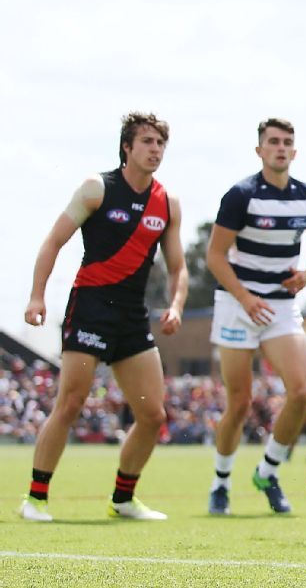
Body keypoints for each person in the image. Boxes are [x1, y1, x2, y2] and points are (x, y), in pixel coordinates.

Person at [19, 112, 188, 522]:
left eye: (160, 143)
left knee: (152, 416)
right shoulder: (97, 188)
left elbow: (179, 266)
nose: (155, 150)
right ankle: (36, 499)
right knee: (71, 402)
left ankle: (123, 499)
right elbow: (52, 242)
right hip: (90, 308)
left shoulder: (167, 202)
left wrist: (177, 305)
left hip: (132, 318)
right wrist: (37, 297)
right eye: (147, 142)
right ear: (127, 147)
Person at [205, 117, 306, 515]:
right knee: (239, 402)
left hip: (279, 305)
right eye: (273, 142)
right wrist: (244, 298)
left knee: (301, 391)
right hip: (237, 304)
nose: (280, 147)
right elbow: (215, 255)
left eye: (287, 142)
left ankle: (268, 471)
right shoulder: (241, 195)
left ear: (295, 151)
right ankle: (220, 481)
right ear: (259, 150)